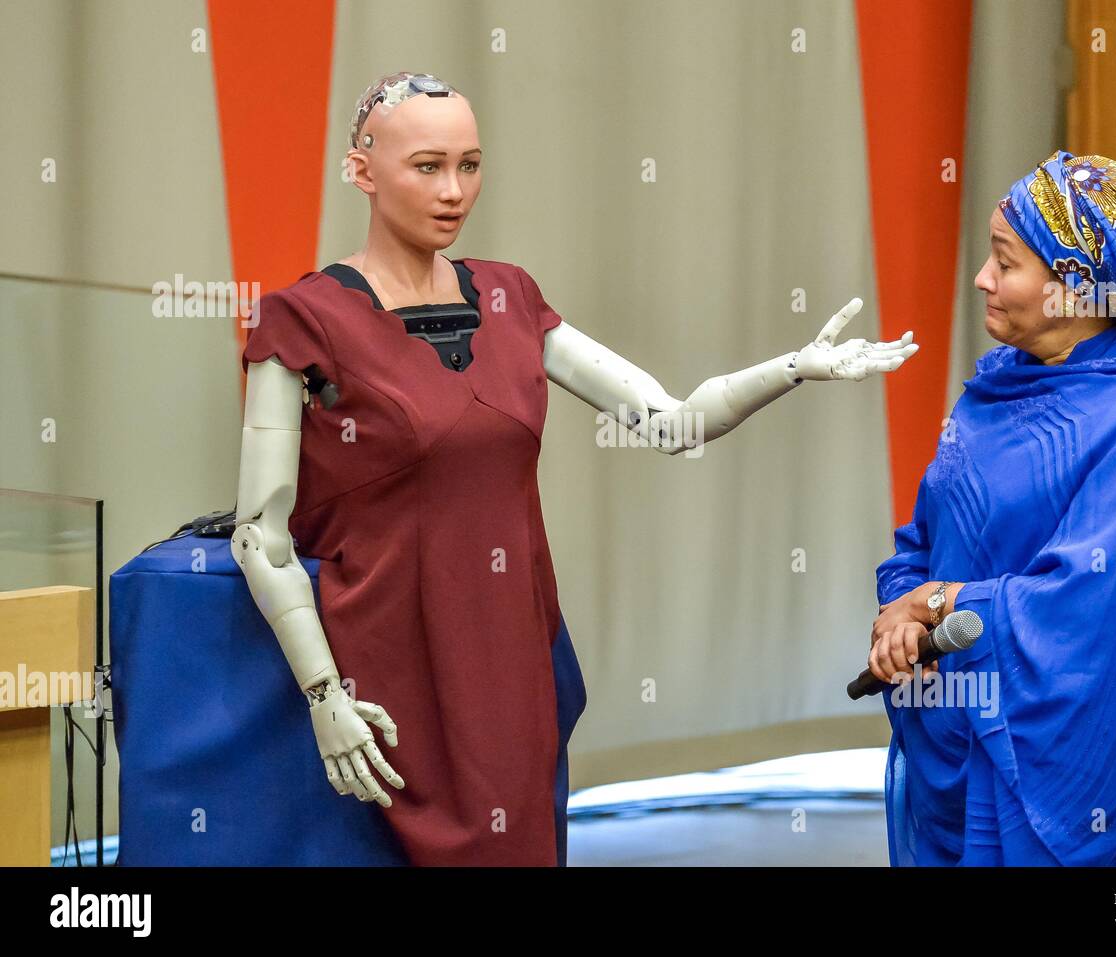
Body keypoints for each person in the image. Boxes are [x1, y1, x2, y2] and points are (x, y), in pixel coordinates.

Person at [231, 71, 920, 865]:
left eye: (470, 163)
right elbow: (260, 533)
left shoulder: (509, 298)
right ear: (361, 169)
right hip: (383, 675)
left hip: (514, 659)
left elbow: (670, 422)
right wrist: (324, 694)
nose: (455, 190)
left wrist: (793, 366)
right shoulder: (305, 319)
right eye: (427, 166)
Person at [871, 150, 1116, 866]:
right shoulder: (992, 389)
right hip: (952, 751)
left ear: (1077, 287)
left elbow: (1084, 607)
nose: (982, 279)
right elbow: (921, 543)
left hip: (1070, 778)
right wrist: (899, 611)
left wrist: (937, 604)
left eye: (1006, 261)